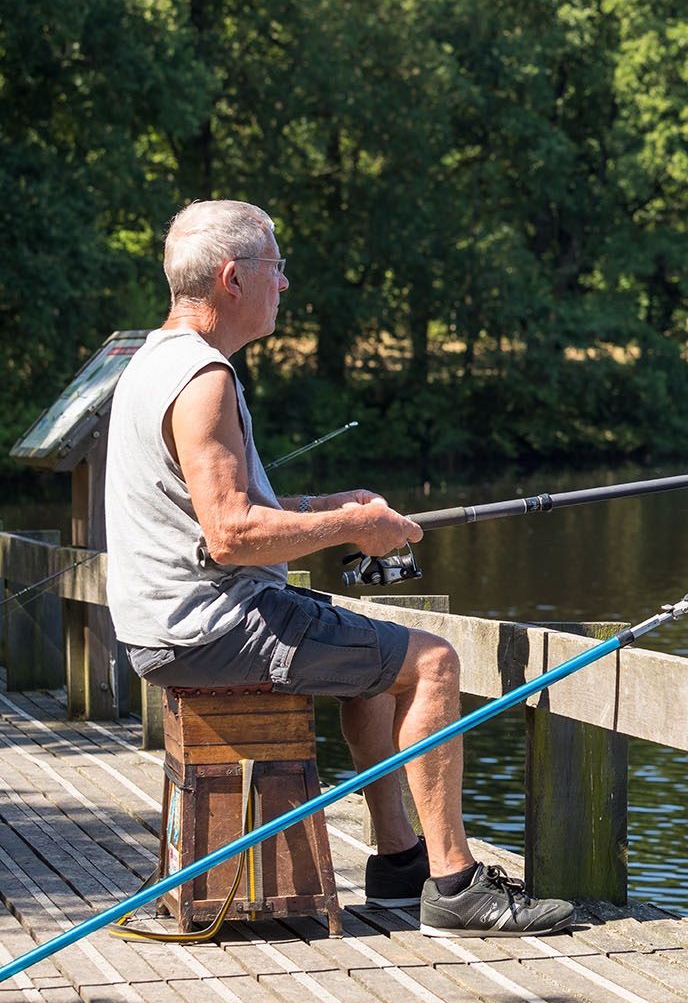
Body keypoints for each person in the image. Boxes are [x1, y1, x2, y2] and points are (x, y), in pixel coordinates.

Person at [105, 199, 573, 938]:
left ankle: (398, 869)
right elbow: (230, 536)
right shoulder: (206, 379)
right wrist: (356, 526)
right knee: (437, 664)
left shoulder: (152, 362)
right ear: (233, 277)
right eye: (277, 268)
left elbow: (222, 508)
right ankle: (455, 884)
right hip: (214, 625)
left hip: (168, 623)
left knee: (379, 665)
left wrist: (332, 503)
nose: (285, 284)